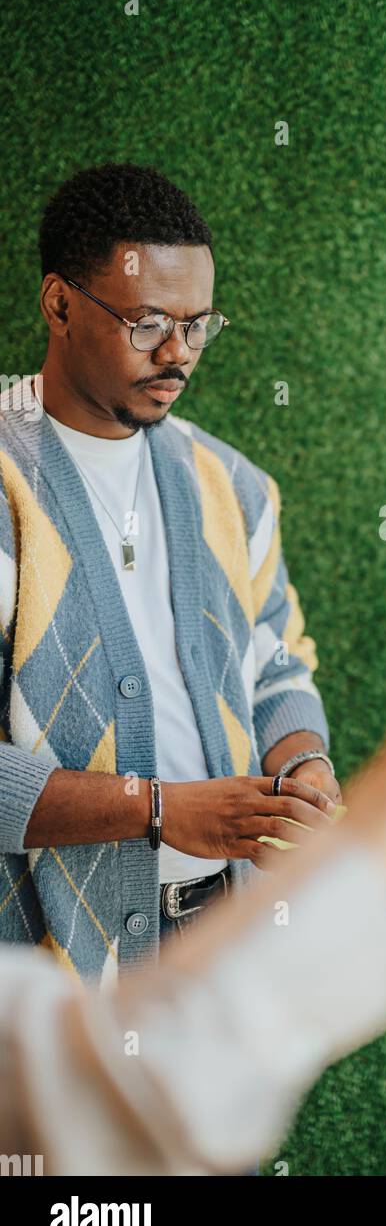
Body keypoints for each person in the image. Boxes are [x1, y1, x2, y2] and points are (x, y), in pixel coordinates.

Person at [0, 583, 386, 1176]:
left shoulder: (239, 490)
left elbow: (275, 652)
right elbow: (101, 1111)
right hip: (51, 927)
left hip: (226, 916)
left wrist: (303, 760)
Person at [0, 162, 341, 979]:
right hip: (41, 961)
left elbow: (276, 664)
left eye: (199, 324)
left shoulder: (234, 486)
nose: (178, 354)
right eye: (149, 322)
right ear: (59, 305)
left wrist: (304, 768)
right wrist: (156, 812)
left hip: (220, 936)